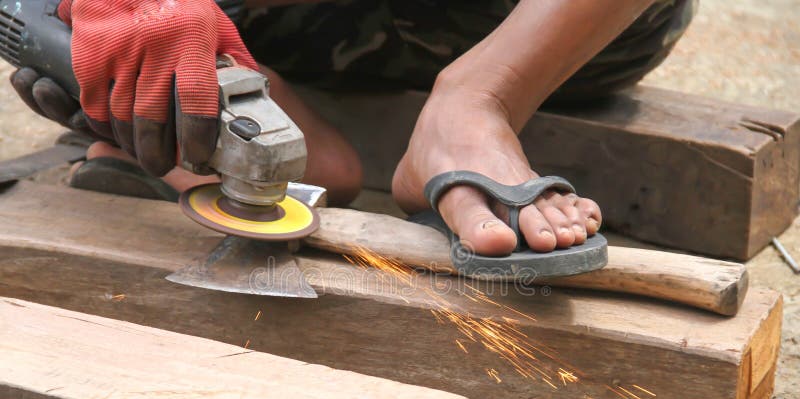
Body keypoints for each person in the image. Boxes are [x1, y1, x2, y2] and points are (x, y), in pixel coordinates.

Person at [10, 0, 695, 256]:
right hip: (279, 22)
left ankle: (476, 101)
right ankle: (232, 82)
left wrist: (490, 85)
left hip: (540, 22)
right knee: (55, 13)